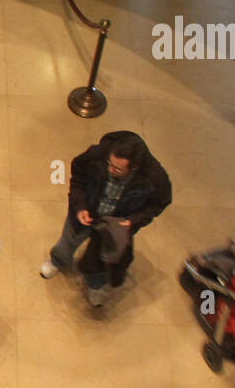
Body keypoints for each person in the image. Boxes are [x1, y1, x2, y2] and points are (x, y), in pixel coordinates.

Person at [39, 130, 171, 308]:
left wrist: (133, 221)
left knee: (102, 259)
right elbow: (78, 177)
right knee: (68, 240)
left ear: (133, 167)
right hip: (87, 212)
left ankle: (95, 285)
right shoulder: (97, 155)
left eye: (117, 169)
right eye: (109, 163)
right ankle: (57, 261)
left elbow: (158, 205)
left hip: (114, 226)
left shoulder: (155, 179)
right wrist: (80, 206)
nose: (110, 169)